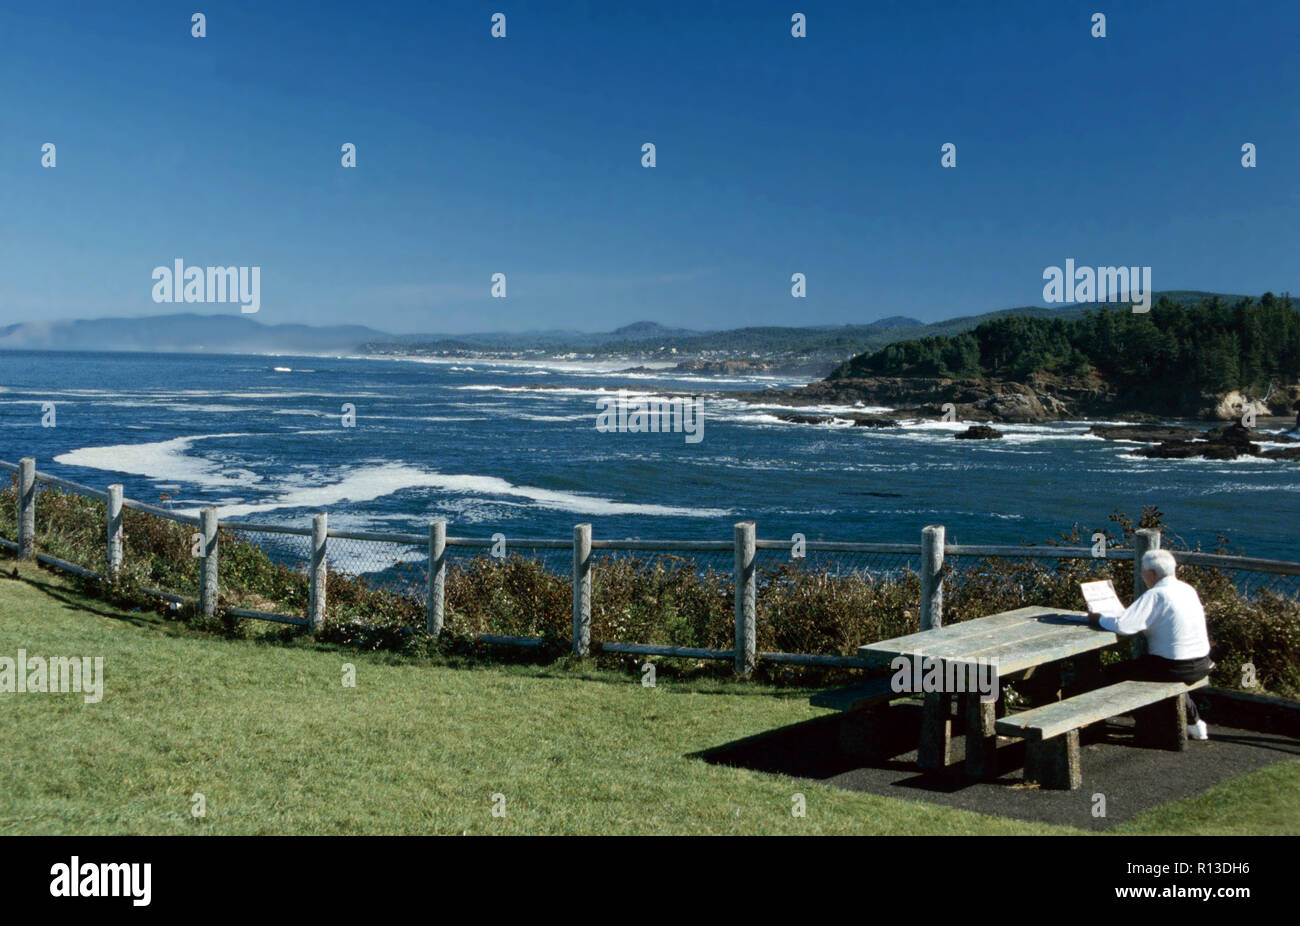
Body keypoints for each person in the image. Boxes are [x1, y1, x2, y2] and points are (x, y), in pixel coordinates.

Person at [1086, 549, 1213, 740]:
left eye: (1143, 572)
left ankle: (1145, 726)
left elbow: (1123, 626)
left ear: (1152, 573)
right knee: (1150, 670)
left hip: (1174, 668)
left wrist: (1098, 619)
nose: (1143, 576)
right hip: (1202, 663)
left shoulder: (1156, 594)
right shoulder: (1187, 589)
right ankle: (1194, 724)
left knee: (1112, 673)